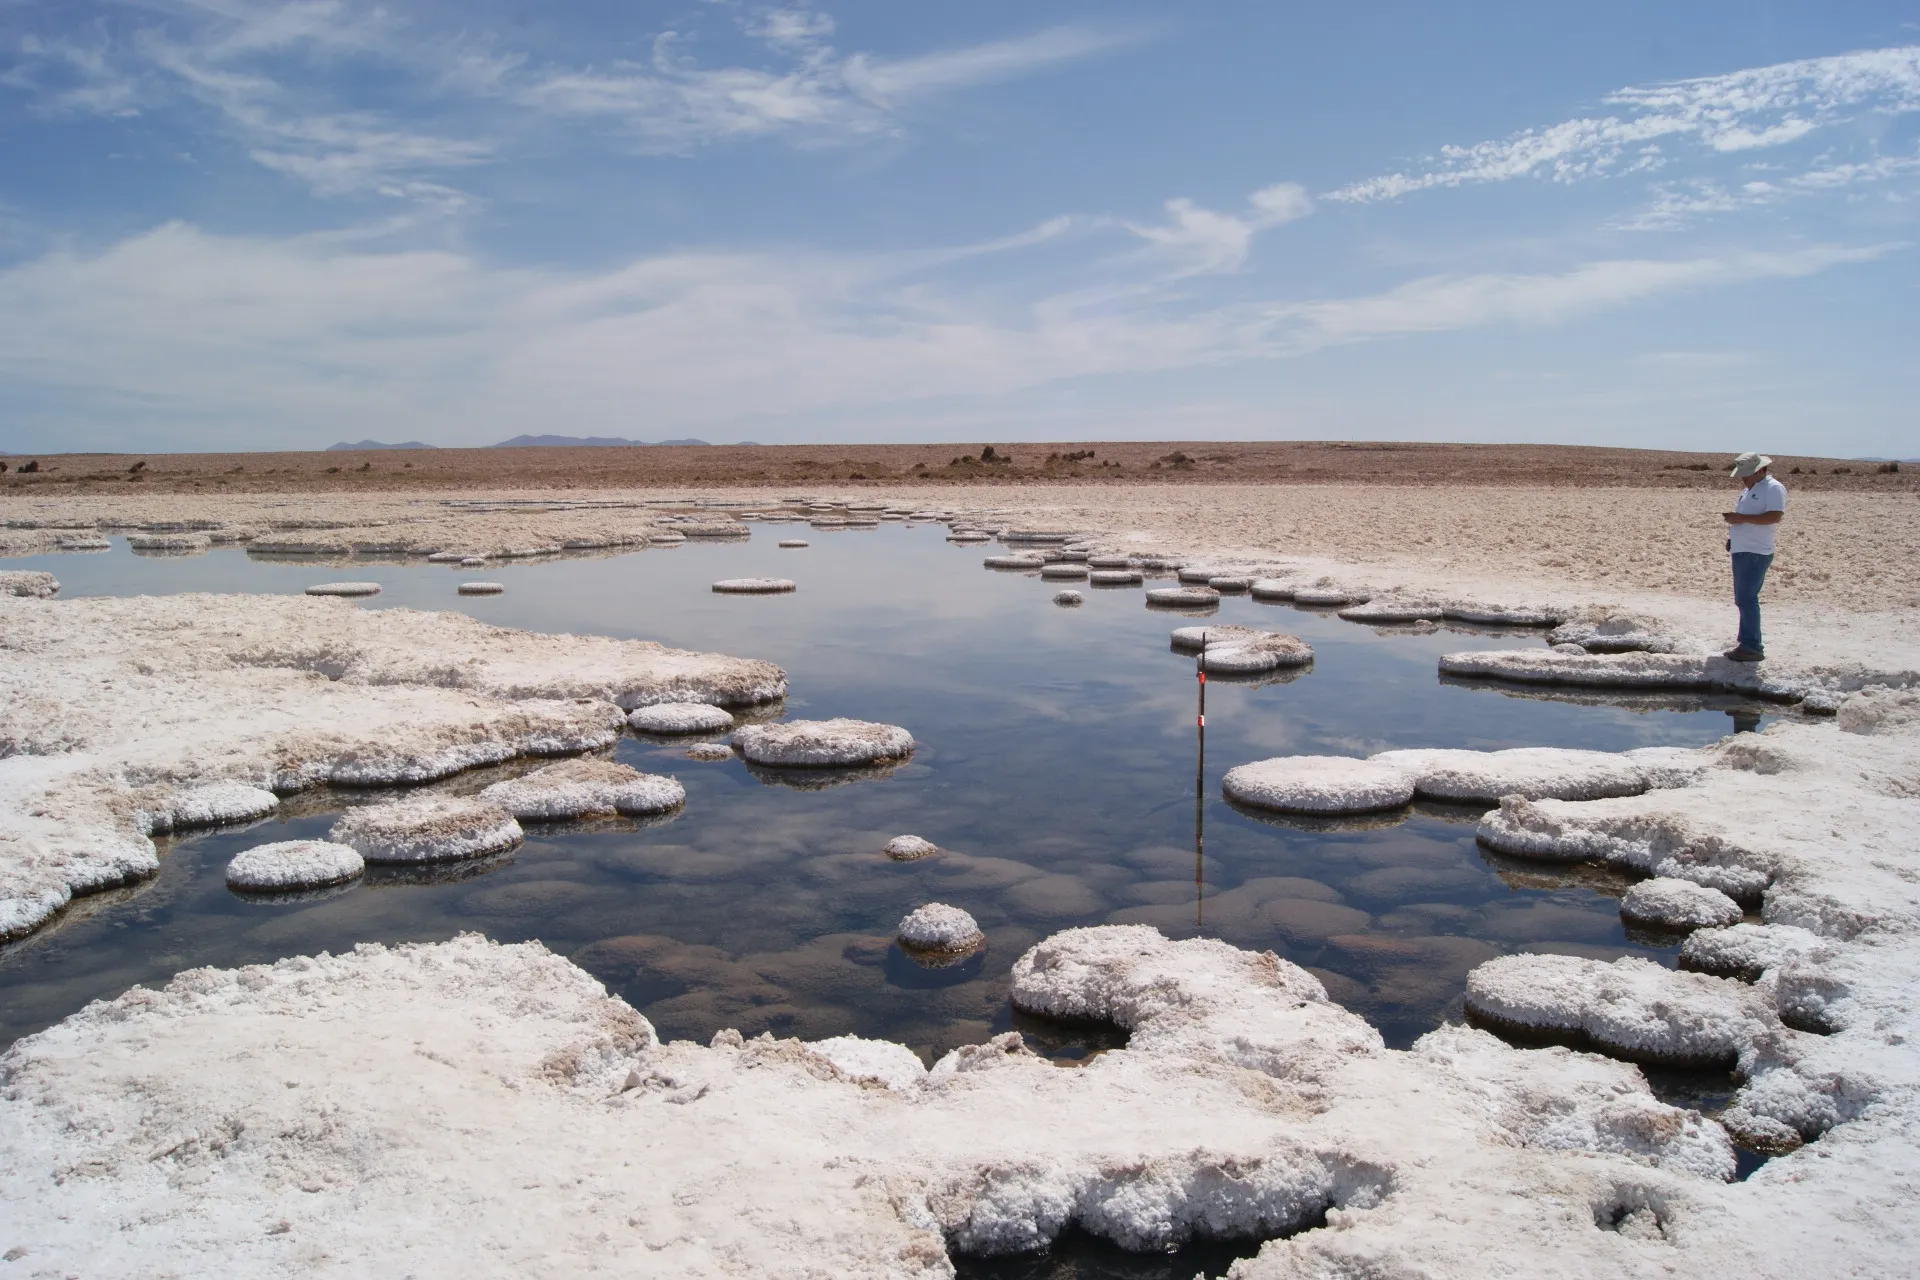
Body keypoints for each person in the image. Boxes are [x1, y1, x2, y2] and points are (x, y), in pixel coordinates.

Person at [1722, 452, 1785, 662]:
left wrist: (1741, 518)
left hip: (1756, 551)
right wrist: (1733, 537)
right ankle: (1747, 643)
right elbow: (1746, 519)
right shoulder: (1749, 490)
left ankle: (1752, 647)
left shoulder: (1773, 488)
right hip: (1742, 549)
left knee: (1747, 598)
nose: (1743, 478)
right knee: (1743, 598)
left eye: (1746, 474)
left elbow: (1775, 516)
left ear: (1759, 471)